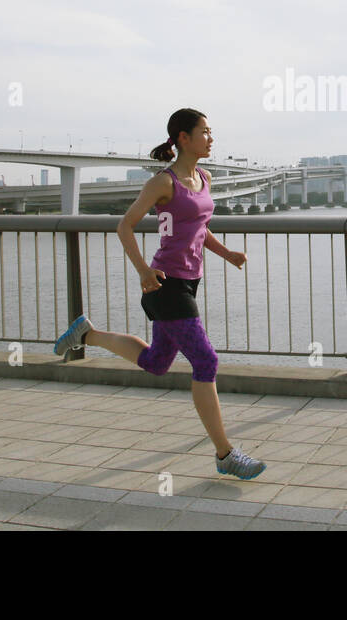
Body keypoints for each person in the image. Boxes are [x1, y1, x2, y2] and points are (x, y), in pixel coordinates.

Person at [52, 108, 266, 480]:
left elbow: (200, 228)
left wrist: (227, 253)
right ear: (183, 138)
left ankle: (86, 333)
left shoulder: (205, 177)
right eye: (204, 132)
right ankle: (225, 454)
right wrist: (143, 271)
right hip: (164, 283)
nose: (210, 138)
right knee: (206, 363)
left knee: (155, 362)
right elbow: (125, 226)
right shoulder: (162, 183)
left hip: (188, 282)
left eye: (210, 131)